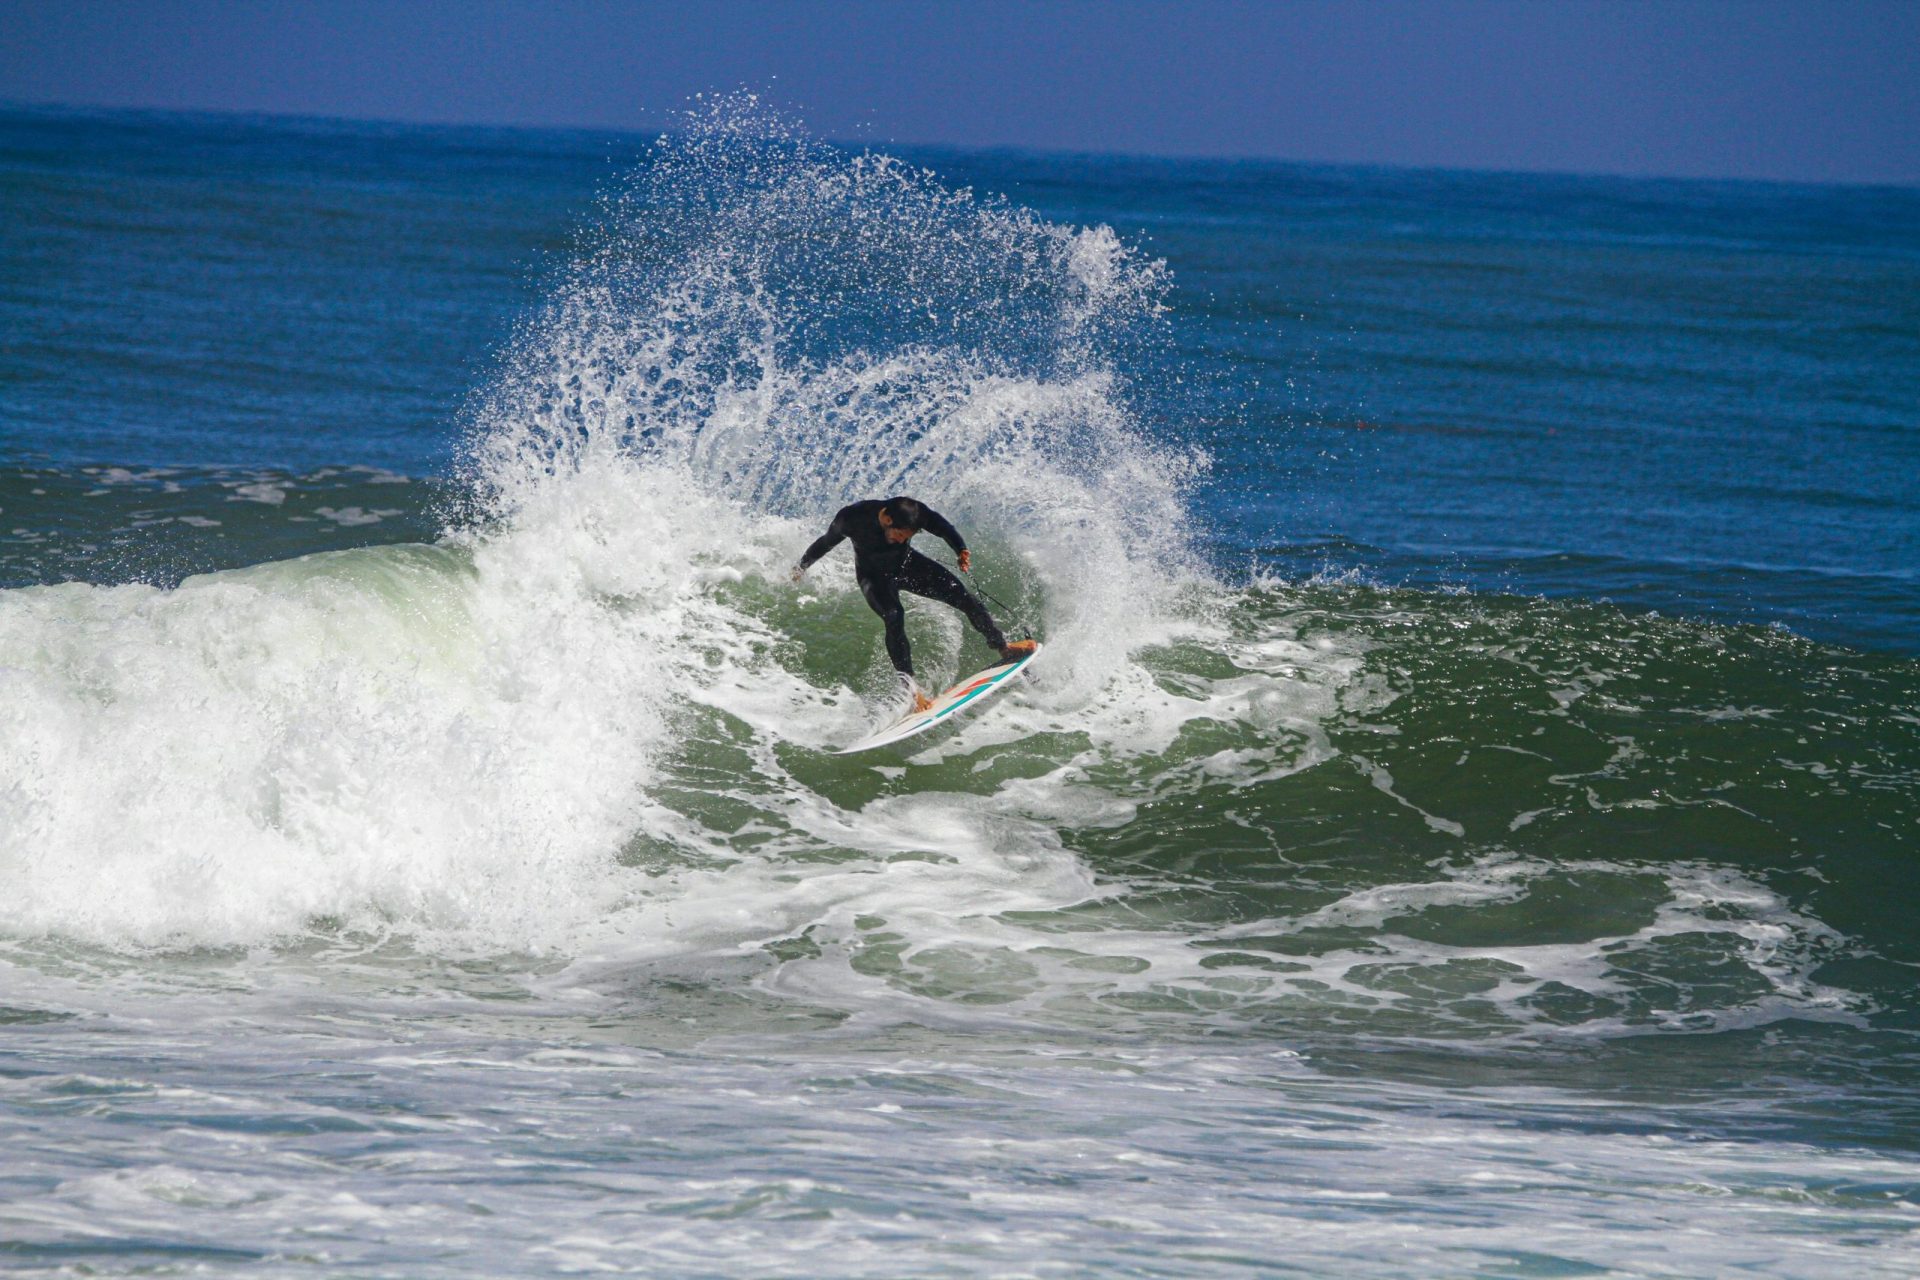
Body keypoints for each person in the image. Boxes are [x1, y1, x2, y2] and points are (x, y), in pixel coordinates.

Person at [791, 497, 1036, 712]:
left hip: (908, 567)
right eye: (899, 535)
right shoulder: (852, 518)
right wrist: (801, 567)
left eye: (906, 538)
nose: (900, 540)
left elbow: (940, 525)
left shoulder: (914, 512)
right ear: (886, 519)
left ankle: (1003, 646)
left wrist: (960, 548)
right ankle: (910, 689)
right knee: (893, 616)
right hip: (873, 577)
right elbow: (825, 542)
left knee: (964, 597)